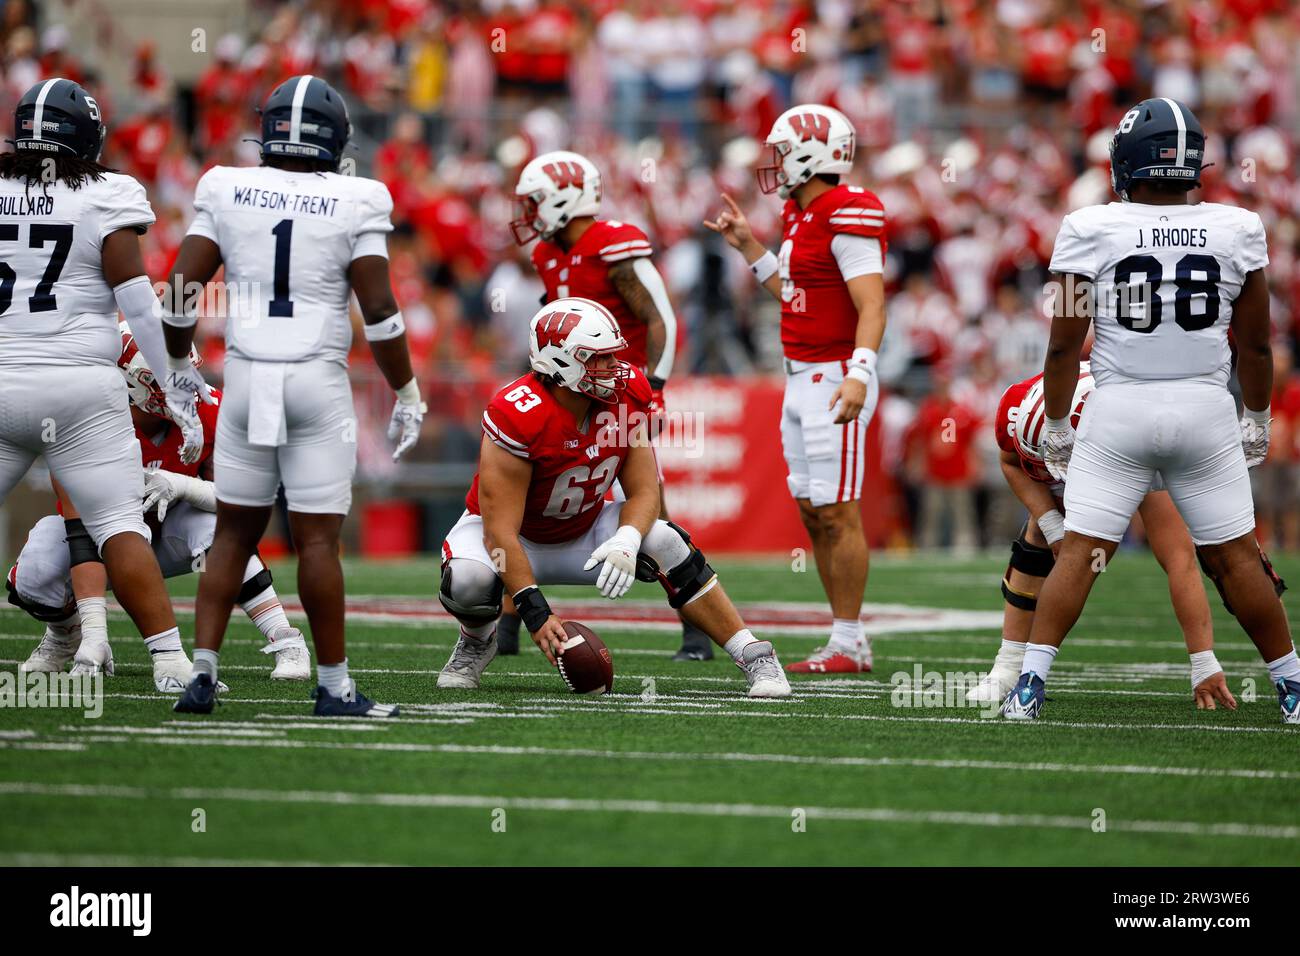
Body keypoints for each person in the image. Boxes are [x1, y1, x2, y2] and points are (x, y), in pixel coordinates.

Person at [1002, 98, 1299, 723]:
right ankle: (1291, 686)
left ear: (1128, 163)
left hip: (1120, 411)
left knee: (1081, 550)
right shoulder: (1238, 227)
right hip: (1205, 410)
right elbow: (1257, 343)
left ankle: (1029, 687)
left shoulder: (1089, 226)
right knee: (1236, 556)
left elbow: (1063, 343)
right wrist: (1258, 416)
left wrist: (1056, 424)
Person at [164, 75, 425, 717]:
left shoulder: (226, 187)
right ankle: (334, 688)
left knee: (231, 534)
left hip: (249, 377)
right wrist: (407, 391)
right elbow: (384, 314)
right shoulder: (356, 197)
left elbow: (177, 291)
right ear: (335, 139)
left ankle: (202, 676)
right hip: (316, 381)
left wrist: (176, 364)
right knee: (316, 543)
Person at [436, 296, 791, 699]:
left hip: (583, 528)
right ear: (559, 362)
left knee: (667, 541)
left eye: (612, 356)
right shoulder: (518, 412)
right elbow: (500, 530)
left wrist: (626, 539)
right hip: (511, 540)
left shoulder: (626, 394)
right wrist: (536, 612)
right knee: (467, 580)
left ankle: (753, 652)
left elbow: (643, 490)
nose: (613, 368)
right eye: (598, 358)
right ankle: (477, 641)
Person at [0, 78, 207, 691]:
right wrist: (176, 383)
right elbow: (138, 303)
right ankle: (171, 664)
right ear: (86, 136)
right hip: (78, 385)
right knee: (119, 522)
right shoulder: (107, 193)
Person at [11, 323, 309, 685]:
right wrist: (95, 631)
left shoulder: (212, 409)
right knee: (35, 568)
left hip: (173, 537)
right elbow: (80, 531)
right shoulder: (82, 421)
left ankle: (285, 637)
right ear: (133, 384)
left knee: (218, 529)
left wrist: (184, 486)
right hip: (103, 544)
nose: (188, 388)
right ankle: (65, 636)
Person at [705, 104, 887, 675]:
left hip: (836, 375)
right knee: (813, 510)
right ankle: (841, 635)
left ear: (811, 156)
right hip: (799, 375)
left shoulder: (845, 209)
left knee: (838, 513)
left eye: (783, 153)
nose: (776, 164)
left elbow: (872, 303)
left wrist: (859, 373)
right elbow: (795, 293)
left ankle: (851, 640)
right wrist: (747, 246)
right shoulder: (799, 212)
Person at [507, 149, 706, 660]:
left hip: (619, 393)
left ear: (565, 198)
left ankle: (697, 626)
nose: (528, 215)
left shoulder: (613, 244)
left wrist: (655, 386)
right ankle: (506, 620)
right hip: (566, 393)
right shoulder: (547, 254)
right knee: (524, 496)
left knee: (650, 504)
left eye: (535, 203)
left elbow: (662, 318)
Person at [969, 362, 1249, 709]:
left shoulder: (1130, 434)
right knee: (1038, 535)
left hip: (1134, 445)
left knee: (1202, 553)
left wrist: (1202, 661)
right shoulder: (1016, 407)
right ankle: (1009, 668)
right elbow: (1011, 463)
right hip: (1091, 437)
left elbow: (1178, 560)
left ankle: (1277, 666)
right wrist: (1052, 523)